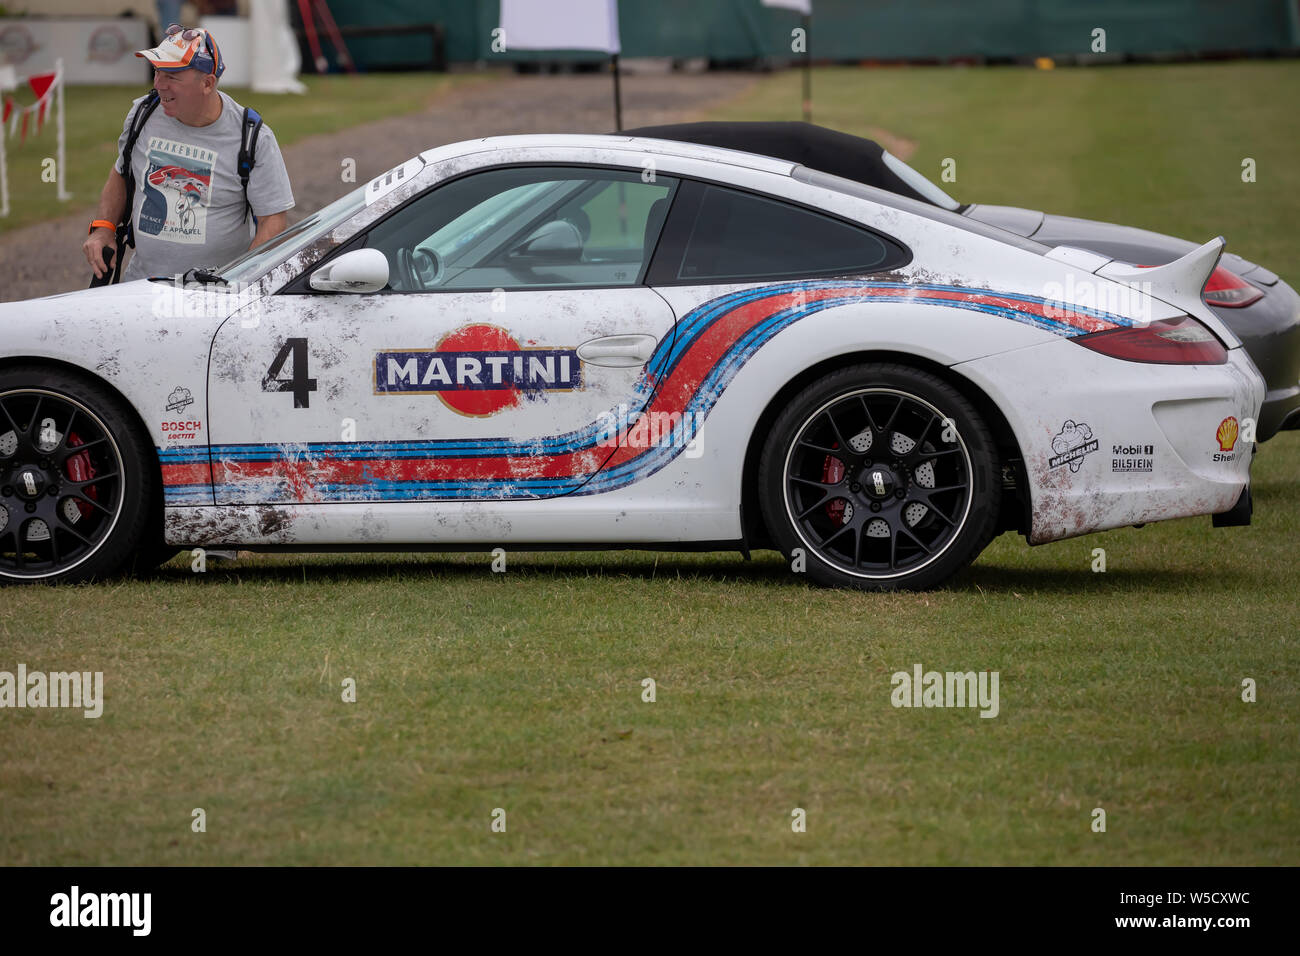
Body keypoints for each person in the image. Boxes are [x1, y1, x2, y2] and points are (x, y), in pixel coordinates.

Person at [83, 24, 294, 282]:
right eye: (158, 72)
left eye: (172, 77)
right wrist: (103, 229)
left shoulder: (252, 138)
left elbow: (272, 221)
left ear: (207, 83)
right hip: (139, 286)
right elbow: (121, 173)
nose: (159, 84)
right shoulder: (142, 114)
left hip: (211, 296)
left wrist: (240, 282)